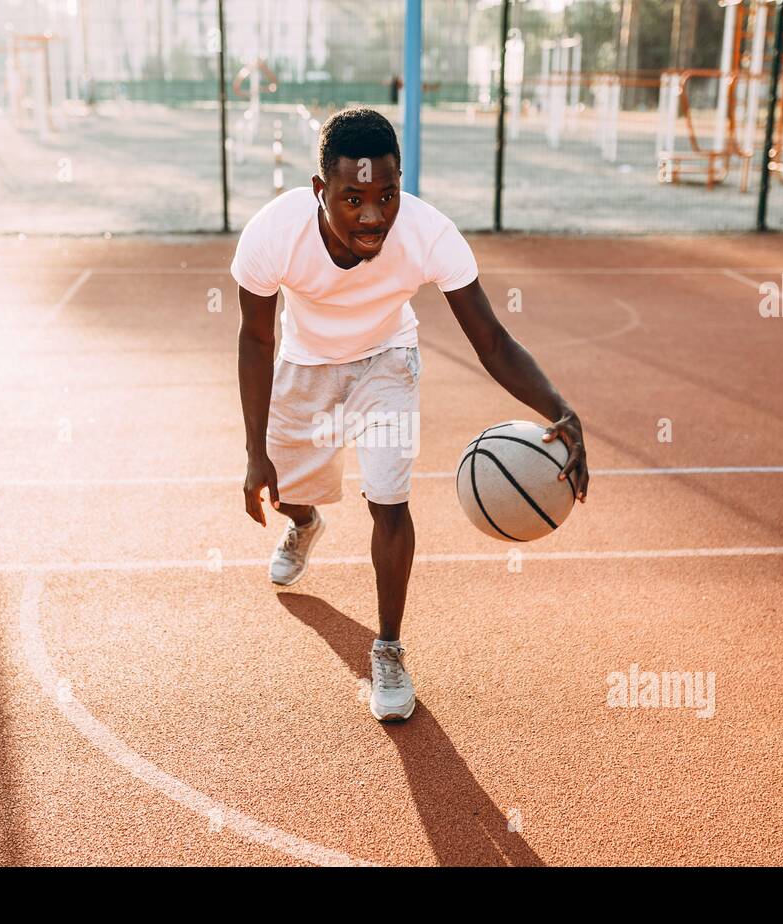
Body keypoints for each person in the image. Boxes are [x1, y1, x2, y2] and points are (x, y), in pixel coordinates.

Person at [232, 107, 588, 722]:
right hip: (303, 362)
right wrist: (253, 451)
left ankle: (389, 648)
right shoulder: (272, 234)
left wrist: (559, 408)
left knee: (388, 499)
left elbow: (493, 342)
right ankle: (305, 520)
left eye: (387, 195)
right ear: (320, 192)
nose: (373, 215)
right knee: (285, 485)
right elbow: (256, 339)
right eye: (353, 198)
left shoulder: (427, 233)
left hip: (385, 361)